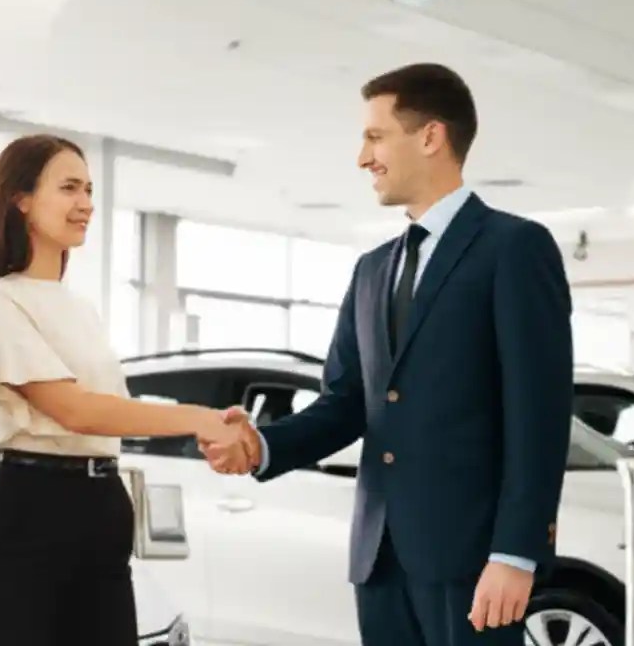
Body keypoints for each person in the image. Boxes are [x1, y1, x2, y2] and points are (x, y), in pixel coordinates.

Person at [204, 63, 574, 645]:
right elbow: (346, 404)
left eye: (375, 137)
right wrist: (263, 444)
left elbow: (540, 415)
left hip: (473, 558)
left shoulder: (514, 248)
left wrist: (516, 552)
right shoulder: (372, 269)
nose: (362, 157)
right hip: (379, 559)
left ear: (430, 137)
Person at [0, 134, 248, 645]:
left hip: (102, 505)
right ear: (20, 199)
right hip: (30, 513)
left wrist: (214, 425)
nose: (86, 203)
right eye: (69, 188)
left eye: (88, 189)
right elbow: (77, 411)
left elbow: (113, 413)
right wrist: (201, 418)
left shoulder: (80, 308)